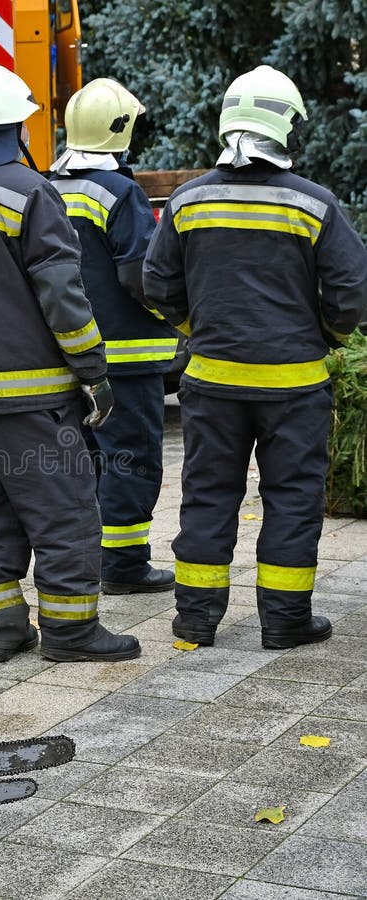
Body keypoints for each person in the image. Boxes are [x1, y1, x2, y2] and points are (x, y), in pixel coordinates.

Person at [0, 64, 141, 663]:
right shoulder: (29, 192)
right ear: (15, 128)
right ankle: (71, 633)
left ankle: (2, 629)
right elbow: (62, 294)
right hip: (31, 399)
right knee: (64, 510)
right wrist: (93, 370)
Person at [142, 65, 367, 649]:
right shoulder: (314, 203)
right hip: (294, 386)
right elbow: (351, 292)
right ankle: (285, 621)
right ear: (287, 127)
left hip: (212, 383)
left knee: (209, 495)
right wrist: (327, 335)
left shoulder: (189, 200)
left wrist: (197, 328)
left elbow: (157, 283)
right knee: (292, 498)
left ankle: (196, 620)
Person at [49, 78, 177, 596]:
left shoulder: (48, 188)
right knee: (130, 458)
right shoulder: (120, 192)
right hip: (125, 359)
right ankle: (124, 565)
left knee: (83, 460)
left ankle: (85, 556)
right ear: (119, 132)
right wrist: (175, 315)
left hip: (65, 356)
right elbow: (140, 276)